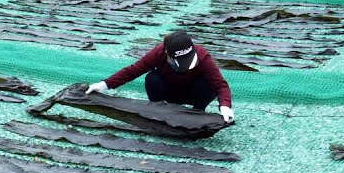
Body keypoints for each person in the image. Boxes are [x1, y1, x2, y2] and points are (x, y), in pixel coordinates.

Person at [86, 30, 234, 123]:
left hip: (193, 93)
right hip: (169, 91)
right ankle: (157, 111)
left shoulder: (202, 57)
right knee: (152, 78)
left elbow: (220, 85)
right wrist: (104, 84)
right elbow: (133, 71)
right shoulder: (158, 53)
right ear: (167, 54)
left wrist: (225, 106)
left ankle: (197, 112)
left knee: (206, 84)